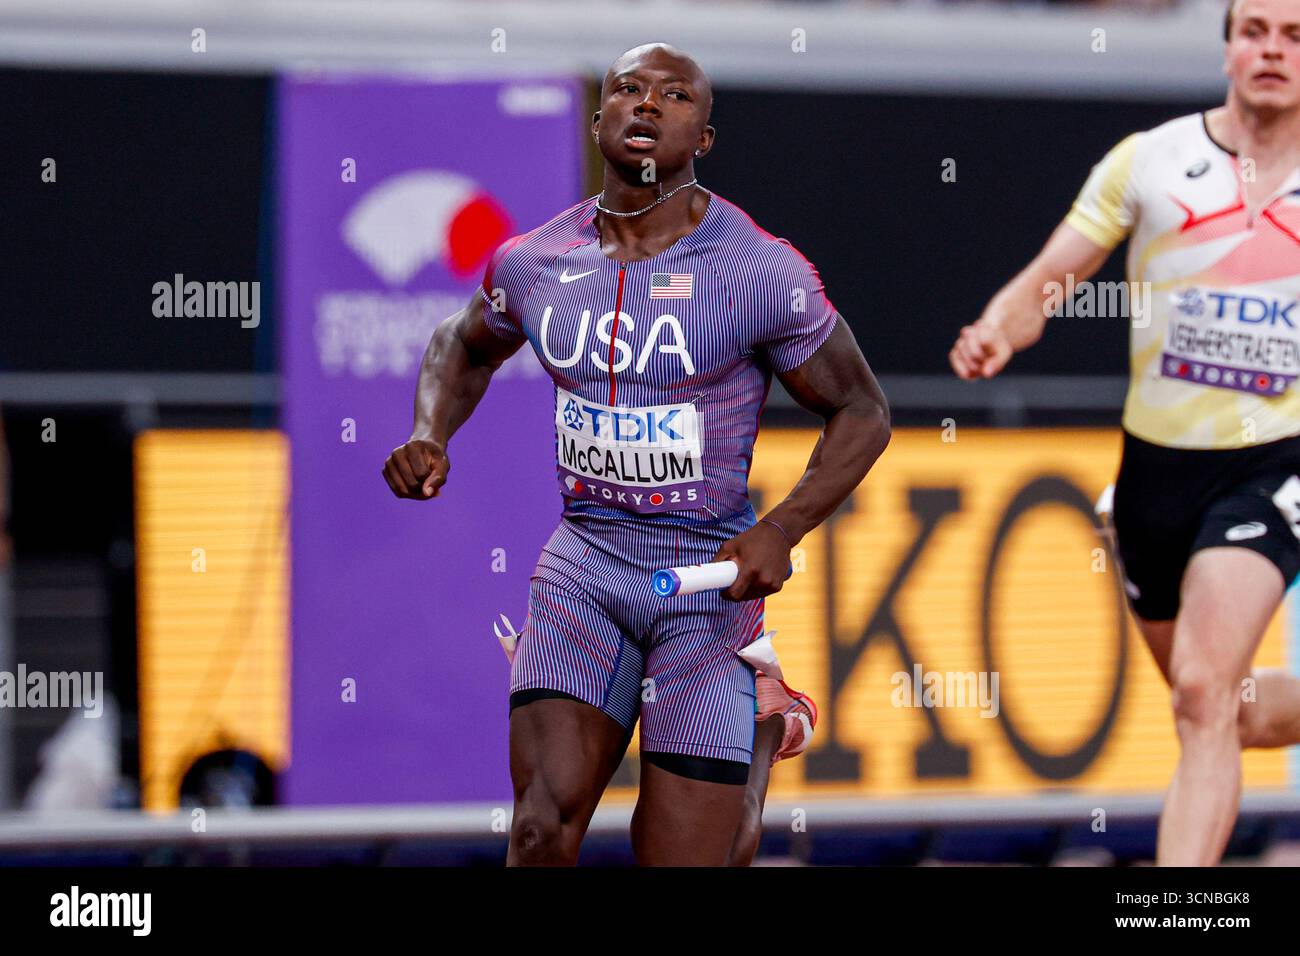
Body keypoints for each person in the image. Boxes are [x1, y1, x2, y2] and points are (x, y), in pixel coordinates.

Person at [385, 42, 890, 866]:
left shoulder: (760, 271)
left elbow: (863, 410)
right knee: (539, 830)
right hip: (584, 567)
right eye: (628, 89)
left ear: (706, 137)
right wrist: (428, 433)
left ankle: (758, 732)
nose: (649, 105)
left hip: (704, 583)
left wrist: (785, 528)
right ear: (598, 122)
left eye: (675, 95)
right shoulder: (537, 260)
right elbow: (463, 343)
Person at [949, 0, 1300, 865]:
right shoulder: (1150, 161)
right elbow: (1048, 280)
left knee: (1201, 691)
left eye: (1295, 36)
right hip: (1154, 475)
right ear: (1226, 47)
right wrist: (998, 326)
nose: (1273, 50)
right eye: (1256, 30)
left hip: (1276, 460)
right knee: (1228, 710)